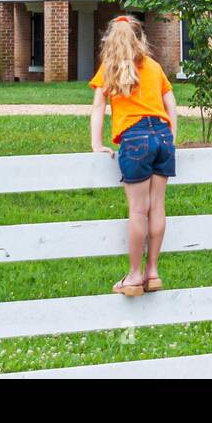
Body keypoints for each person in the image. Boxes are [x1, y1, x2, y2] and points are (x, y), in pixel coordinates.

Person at [89, 15, 177, 296]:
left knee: (138, 210)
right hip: (162, 135)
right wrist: (171, 136)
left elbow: (97, 108)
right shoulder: (153, 66)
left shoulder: (110, 68)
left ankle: (134, 275)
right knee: (157, 207)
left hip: (135, 138)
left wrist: (97, 144)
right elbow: (170, 102)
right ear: (141, 39)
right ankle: (153, 271)